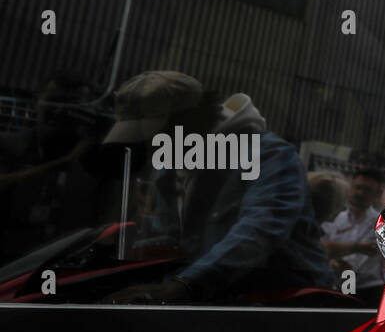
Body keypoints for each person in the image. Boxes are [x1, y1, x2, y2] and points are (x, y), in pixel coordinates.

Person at [103, 70, 334, 304]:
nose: (152, 145)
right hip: (213, 296)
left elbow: (259, 229)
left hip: (283, 302)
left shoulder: (268, 155)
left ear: (192, 118)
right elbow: (171, 237)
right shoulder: (170, 168)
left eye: (159, 133)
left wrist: (185, 284)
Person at [321, 149, 385, 307]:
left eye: (367, 190)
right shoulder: (334, 218)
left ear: (377, 194)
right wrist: (332, 262)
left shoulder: (381, 223)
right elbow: (323, 247)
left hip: (370, 289)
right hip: (339, 285)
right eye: (358, 187)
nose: (360, 193)